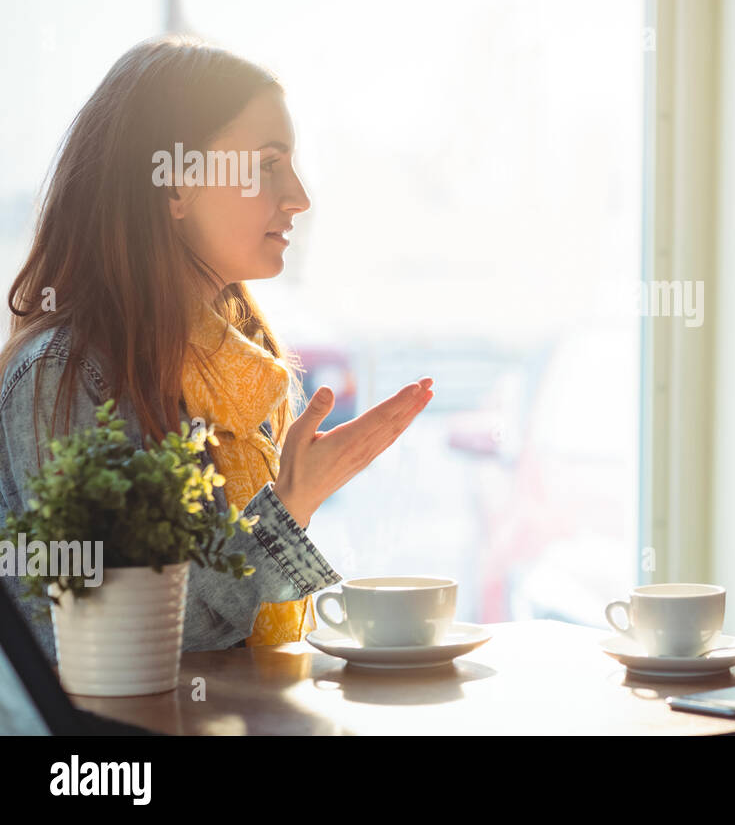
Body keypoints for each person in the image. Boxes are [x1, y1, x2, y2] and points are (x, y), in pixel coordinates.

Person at [0, 35, 433, 664]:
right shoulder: (63, 375)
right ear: (174, 184)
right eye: (266, 165)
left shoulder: (245, 368)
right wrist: (288, 511)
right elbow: (120, 635)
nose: (299, 197)